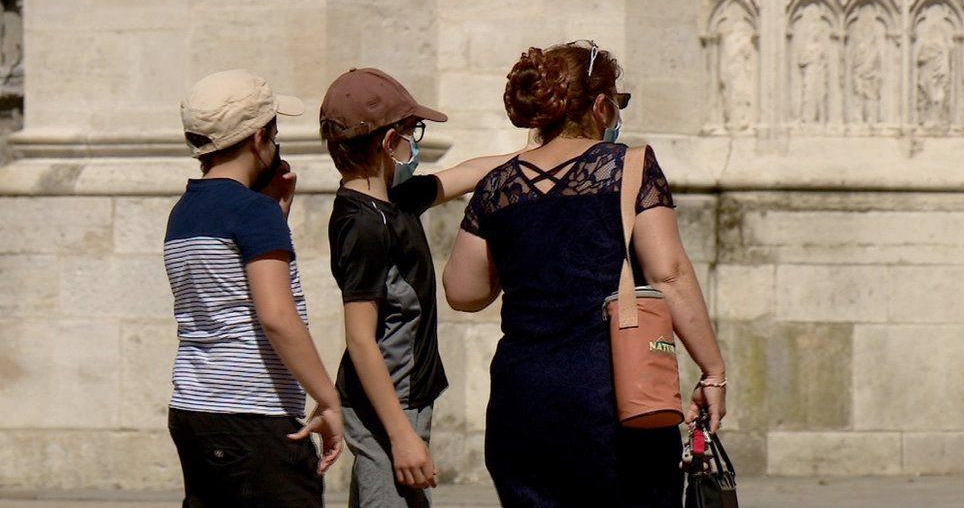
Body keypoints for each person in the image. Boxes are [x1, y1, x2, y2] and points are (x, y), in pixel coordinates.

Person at [442, 42, 728, 507]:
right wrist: (712, 372)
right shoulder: (629, 168)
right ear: (600, 105)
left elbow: (463, 291)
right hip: (613, 396)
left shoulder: (497, 185)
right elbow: (669, 273)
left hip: (523, 397)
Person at [319, 67, 535, 507]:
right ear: (386, 143)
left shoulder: (393, 202)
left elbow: (466, 173)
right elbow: (361, 340)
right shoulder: (363, 225)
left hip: (405, 398)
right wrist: (401, 436)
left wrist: (535, 157)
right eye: (411, 132)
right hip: (389, 405)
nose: (415, 143)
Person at [165, 69, 343, 507]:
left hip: (193, 408)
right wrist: (328, 399)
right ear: (260, 137)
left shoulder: (184, 210)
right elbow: (276, 317)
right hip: (250, 416)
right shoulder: (249, 213)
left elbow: (224, 292)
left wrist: (273, 220)